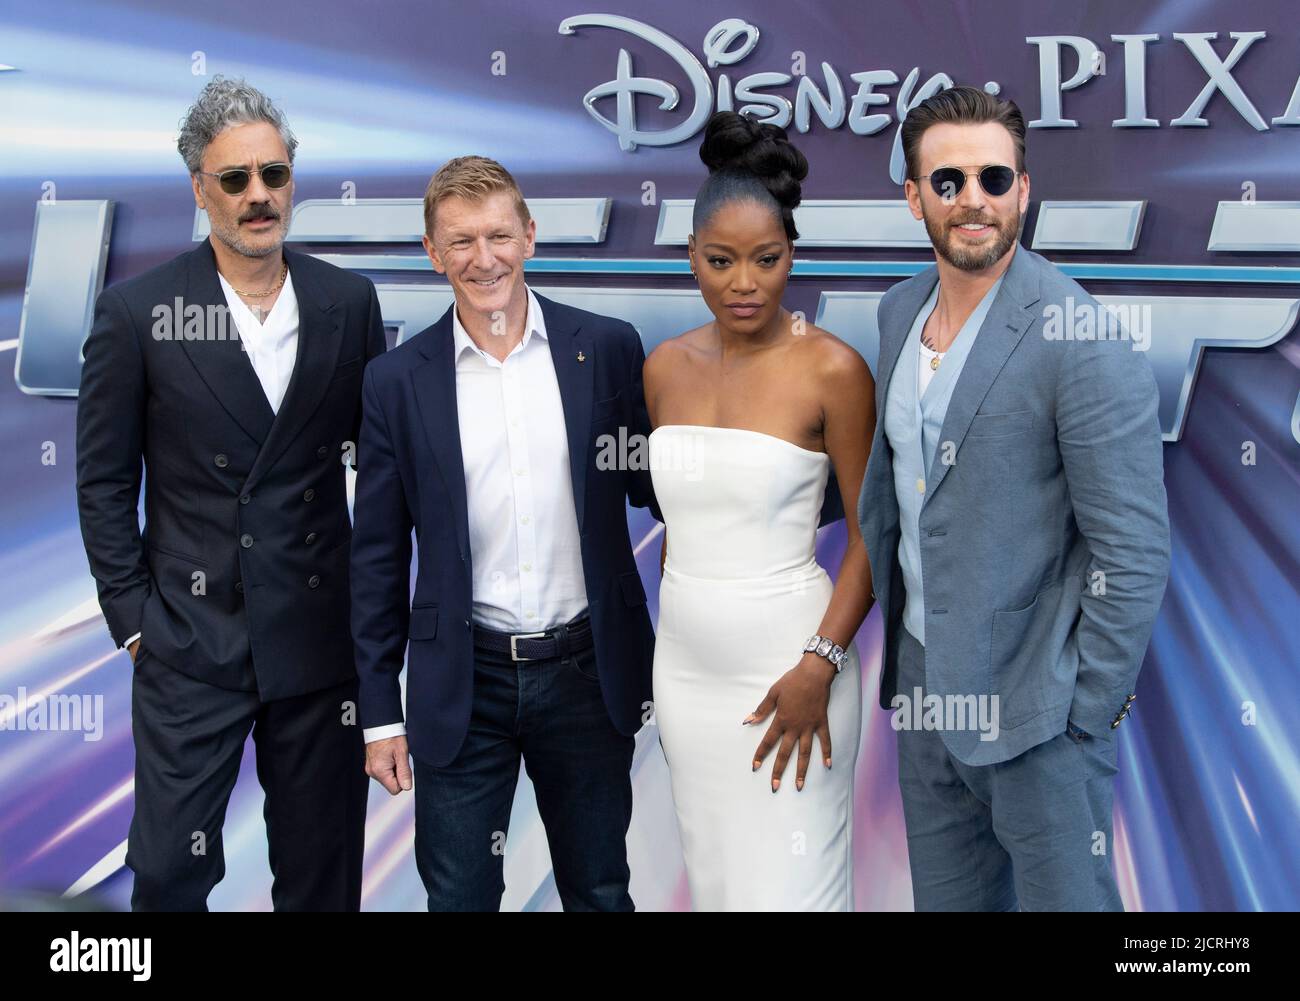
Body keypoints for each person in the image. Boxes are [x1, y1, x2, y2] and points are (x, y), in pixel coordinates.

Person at [856, 85, 1170, 911]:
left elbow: (1132, 552)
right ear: (913, 195)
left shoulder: (1080, 338)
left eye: (995, 179)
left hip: (1041, 710)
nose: (975, 202)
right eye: (949, 181)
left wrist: (1083, 711)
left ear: (1024, 191)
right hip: (925, 691)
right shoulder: (896, 312)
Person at [75, 76, 385, 910]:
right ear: (199, 190)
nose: (258, 197)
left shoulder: (346, 302)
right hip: (189, 642)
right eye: (236, 180)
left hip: (319, 647)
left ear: (292, 178)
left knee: (322, 881)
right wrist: (137, 624)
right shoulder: (138, 312)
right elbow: (105, 480)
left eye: (273, 175)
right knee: (173, 876)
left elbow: (376, 462)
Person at [350, 156, 659, 911]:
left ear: (529, 235)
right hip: (463, 678)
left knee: (599, 888)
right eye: (460, 241)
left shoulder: (608, 348)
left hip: (587, 671)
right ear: (432, 250)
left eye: (497, 235)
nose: (481, 258)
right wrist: (379, 711)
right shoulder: (396, 381)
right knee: (458, 897)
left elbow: (662, 490)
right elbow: (378, 558)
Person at [643, 111, 877, 911]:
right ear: (692, 259)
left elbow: (873, 536)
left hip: (793, 670)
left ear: (791, 257)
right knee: (720, 887)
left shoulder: (833, 369)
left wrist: (821, 662)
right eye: (721, 261)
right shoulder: (663, 368)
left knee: (795, 886)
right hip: (683, 671)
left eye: (766, 260)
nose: (744, 282)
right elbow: (687, 520)